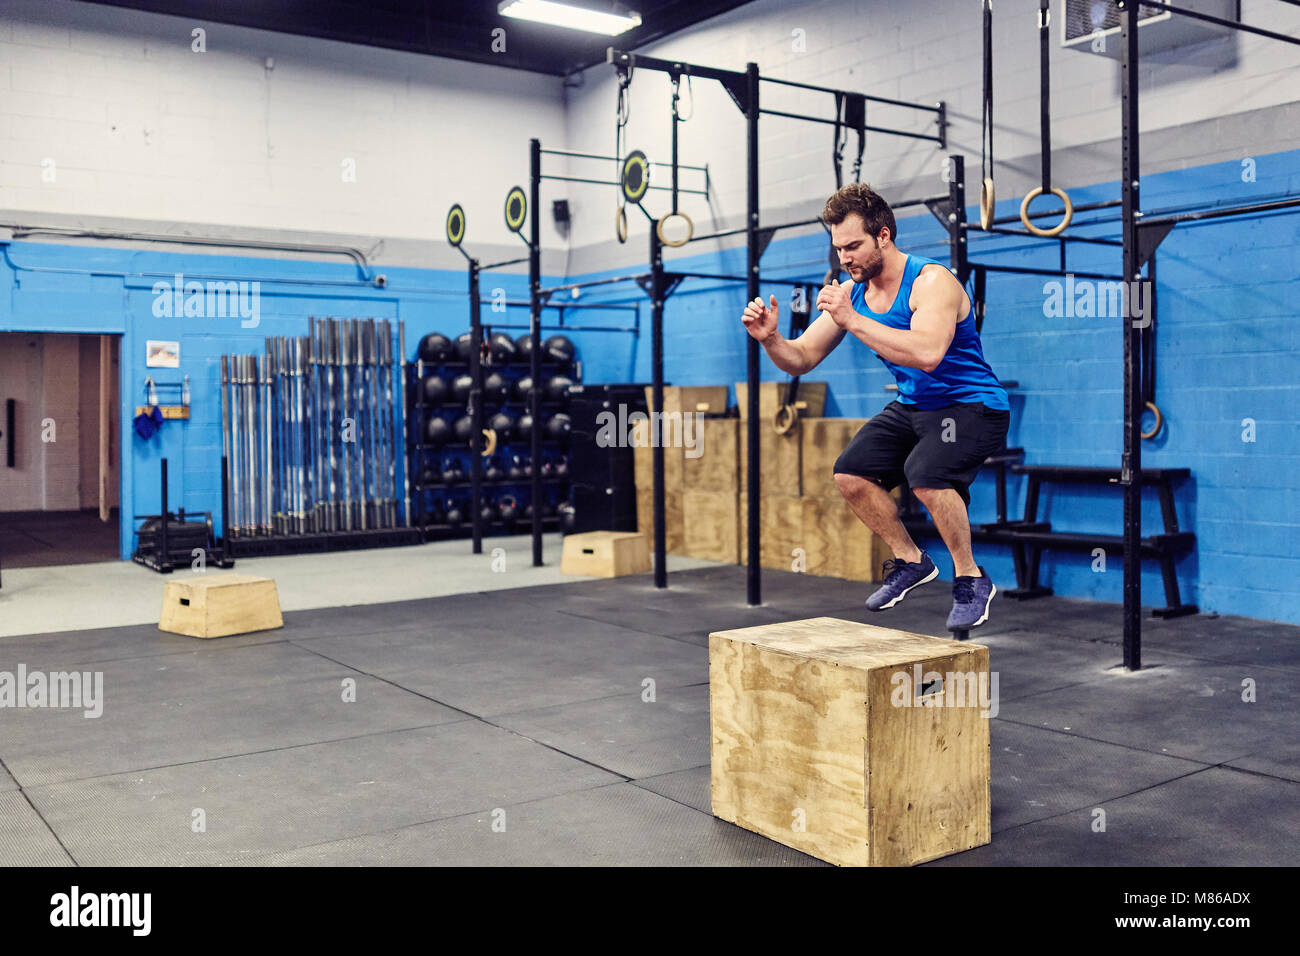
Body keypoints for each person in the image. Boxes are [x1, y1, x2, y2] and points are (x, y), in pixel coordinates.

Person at [740, 182, 1010, 631]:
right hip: (915, 405)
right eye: (839, 248)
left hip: (971, 405)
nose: (845, 258)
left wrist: (851, 318)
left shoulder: (931, 282)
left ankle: (971, 579)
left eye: (853, 246)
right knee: (850, 472)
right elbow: (801, 359)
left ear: (884, 236)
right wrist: (771, 339)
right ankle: (911, 561)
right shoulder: (854, 292)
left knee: (927, 475)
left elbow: (927, 353)